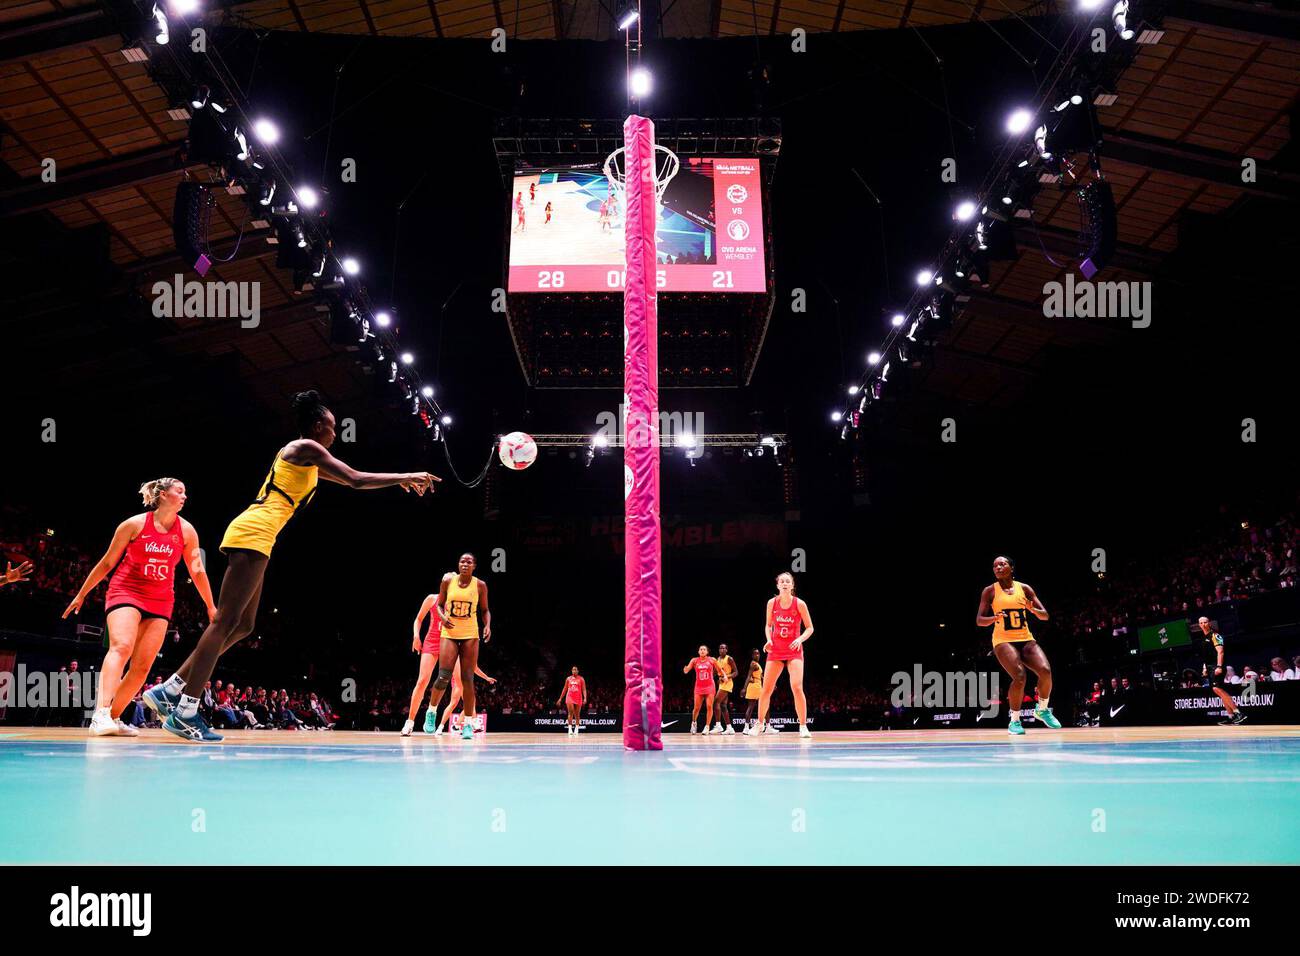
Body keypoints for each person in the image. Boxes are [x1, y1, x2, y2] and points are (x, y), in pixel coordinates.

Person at [145, 390, 437, 742]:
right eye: (331, 427)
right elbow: (356, 478)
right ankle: (185, 710)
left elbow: (351, 481)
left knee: (244, 626)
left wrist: (398, 479)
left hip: (261, 536)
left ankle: (170, 689)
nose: (335, 433)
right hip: (253, 531)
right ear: (316, 427)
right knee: (224, 622)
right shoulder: (306, 448)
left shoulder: (308, 459)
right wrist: (406, 473)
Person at [62, 478, 216, 737]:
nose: (184, 496)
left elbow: (197, 570)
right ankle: (100, 714)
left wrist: (211, 606)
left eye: (186, 492)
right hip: (126, 591)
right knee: (121, 647)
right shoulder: (133, 524)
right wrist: (81, 593)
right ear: (163, 494)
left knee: (143, 666)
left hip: (161, 599)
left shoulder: (187, 531)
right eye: (179, 491)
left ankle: (114, 717)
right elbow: (108, 562)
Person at [976, 556, 1060, 735]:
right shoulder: (989, 591)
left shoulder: (1025, 588)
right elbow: (979, 620)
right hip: (1002, 640)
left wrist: (1032, 609)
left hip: (1025, 638)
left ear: (1011, 567)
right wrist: (994, 618)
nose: (998, 567)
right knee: (1020, 676)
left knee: (1045, 671)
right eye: (994, 565)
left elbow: (1045, 615)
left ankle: (1042, 709)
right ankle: (1014, 721)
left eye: (1002, 564)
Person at [422, 553, 492, 740]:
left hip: (470, 633)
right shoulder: (448, 582)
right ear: (458, 564)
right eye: (462, 561)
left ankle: (468, 724)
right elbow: (439, 605)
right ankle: (431, 711)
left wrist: (487, 625)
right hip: (450, 633)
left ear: (474, 566)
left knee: (467, 679)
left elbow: (485, 610)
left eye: (469, 562)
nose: (465, 564)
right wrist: (442, 617)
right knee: (443, 675)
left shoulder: (480, 585)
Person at [750, 571, 814, 738]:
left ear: (792, 585)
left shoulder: (800, 604)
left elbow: (810, 628)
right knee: (766, 690)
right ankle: (760, 724)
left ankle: (803, 726)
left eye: (788, 581)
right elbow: (767, 625)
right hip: (776, 650)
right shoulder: (772, 603)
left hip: (794, 650)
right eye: (782, 581)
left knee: (796, 687)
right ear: (778, 585)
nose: (785, 583)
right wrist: (769, 639)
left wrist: (800, 639)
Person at [1198, 616, 1246, 725]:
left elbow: (1221, 652)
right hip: (1210, 667)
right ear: (1199, 625)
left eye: (1205, 622)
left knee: (1216, 688)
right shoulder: (1203, 639)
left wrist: (1219, 666)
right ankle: (1231, 716)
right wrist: (1205, 668)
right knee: (1219, 691)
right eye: (1201, 623)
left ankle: (1238, 713)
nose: (1203, 624)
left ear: (1209, 623)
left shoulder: (1216, 636)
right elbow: (1206, 656)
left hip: (1217, 666)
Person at [684, 646, 725, 735]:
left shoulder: (712, 660)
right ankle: (694, 723)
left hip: (710, 686)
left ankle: (707, 727)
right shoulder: (694, 660)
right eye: (701, 649)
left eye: (704, 649)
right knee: (696, 708)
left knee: (709, 706)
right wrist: (686, 670)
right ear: (698, 652)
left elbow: (719, 670)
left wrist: (724, 676)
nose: (702, 651)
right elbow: (687, 669)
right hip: (699, 687)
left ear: (707, 652)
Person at [712, 644, 737, 735]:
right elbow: (715, 672)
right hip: (721, 682)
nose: (722, 649)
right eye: (720, 648)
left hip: (727, 682)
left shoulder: (729, 658)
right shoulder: (718, 659)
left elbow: (736, 672)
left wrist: (726, 677)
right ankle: (729, 728)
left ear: (726, 650)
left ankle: (718, 726)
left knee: (716, 702)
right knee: (723, 705)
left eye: (724, 648)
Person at [556, 666, 587, 735]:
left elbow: (584, 689)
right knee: (571, 712)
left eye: (575, 670)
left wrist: (585, 698)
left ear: (578, 671)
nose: (574, 671)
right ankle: (570, 729)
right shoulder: (568, 679)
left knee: (577, 714)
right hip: (569, 697)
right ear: (571, 671)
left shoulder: (581, 679)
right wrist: (560, 698)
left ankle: (576, 728)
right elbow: (564, 689)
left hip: (578, 697)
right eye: (573, 670)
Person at [742, 649, 762, 731]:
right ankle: (746, 727)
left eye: (758, 653)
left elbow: (760, 676)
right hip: (754, 686)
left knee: (760, 706)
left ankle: (747, 727)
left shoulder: (757, 664)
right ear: (752, 656)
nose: (757, 655)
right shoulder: (753, 664)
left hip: (757, 685)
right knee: (751, 707)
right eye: (755, 654)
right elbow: (748, 676)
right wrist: (744, 688)